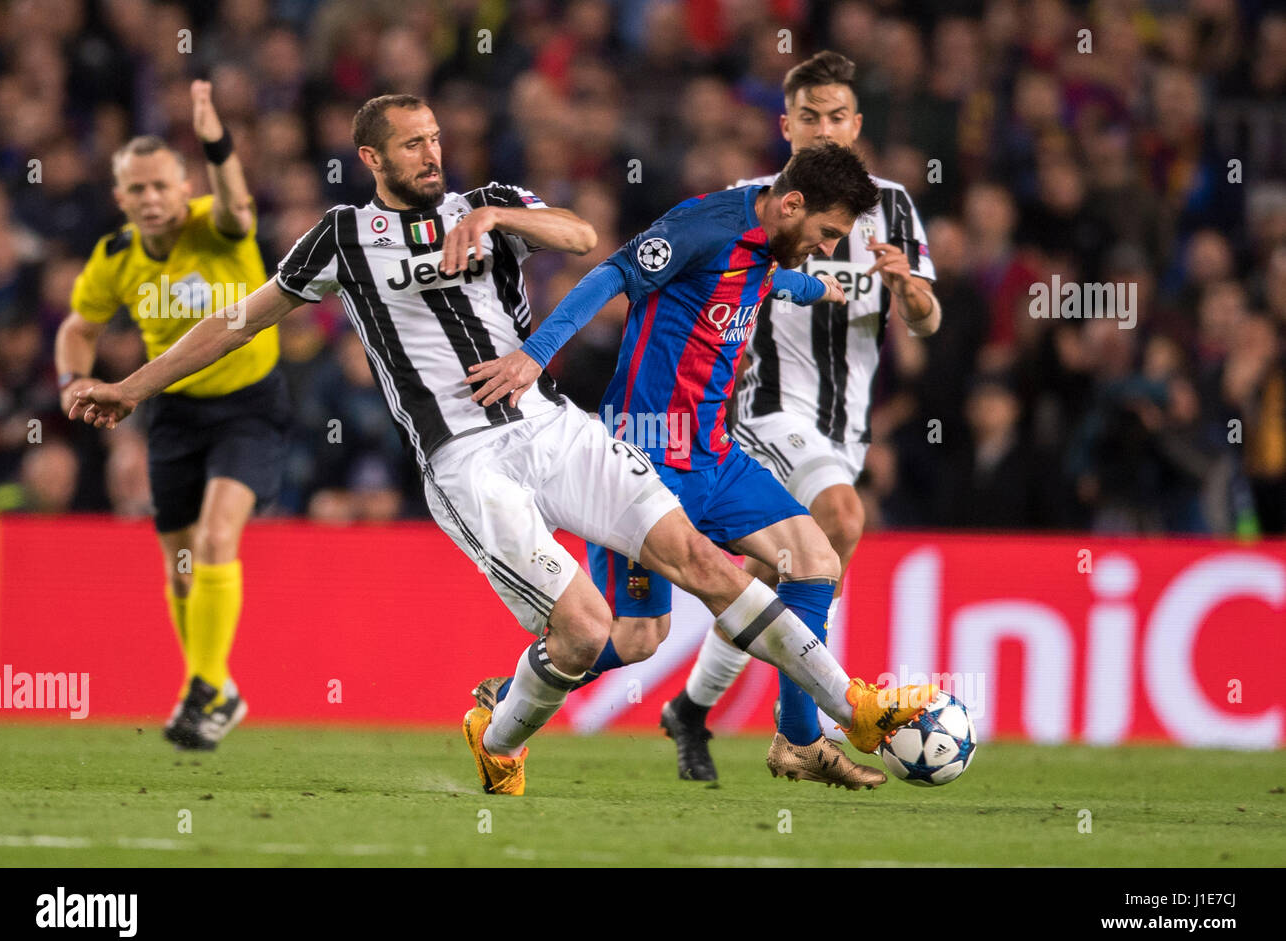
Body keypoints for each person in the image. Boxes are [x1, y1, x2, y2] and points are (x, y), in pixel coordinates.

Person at [71, 94, 935, 796]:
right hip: (466, 459)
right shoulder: (341, 237)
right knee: (588, 630)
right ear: (371, 159)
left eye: (435, 138)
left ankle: (850, 706)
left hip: (557, 426)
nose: (430, 154)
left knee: (706, 566)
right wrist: (132, 387)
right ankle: (501, 734)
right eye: (410, 145)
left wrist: (493, 217)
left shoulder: (482, 204)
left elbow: (584, 237)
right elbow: (234, 321)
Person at [469, 142, 936, 790]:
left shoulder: (769, 249)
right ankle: (522, 684)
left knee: (817, 562)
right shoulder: (703, 227)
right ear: (792, 203)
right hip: (644, 457)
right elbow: (610, 275)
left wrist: (815, 288)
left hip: (715, 454)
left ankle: (799, 740)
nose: (826, 244)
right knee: (638, 637)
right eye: (826, 234)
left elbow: (765, 281)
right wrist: (535, 355)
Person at [665, 51, 943, 783]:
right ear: (784, 124)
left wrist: (905, 285)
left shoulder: (894, 208)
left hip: (845, 425)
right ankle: (798, 732)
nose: (823, 128)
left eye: (836, 116)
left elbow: (928, 320)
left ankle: (692, 707)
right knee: (840, 520)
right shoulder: (755, 202)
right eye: (808, 116)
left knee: (774, 568)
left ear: (857, 124)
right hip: (763, 407)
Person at [57, 81, 286, 750]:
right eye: (137, 189)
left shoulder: (216, 226)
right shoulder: (114, 259)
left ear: (184, 187)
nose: (152, 199)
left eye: (162, 185)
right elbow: (77, 327)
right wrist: (73, 380)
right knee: (181, 566)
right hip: (175, 415)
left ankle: (205, 688)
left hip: (250, 406)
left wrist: (216, 137)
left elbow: (242, 208)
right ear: (120, 199)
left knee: (217, 539)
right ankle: (215, 688)